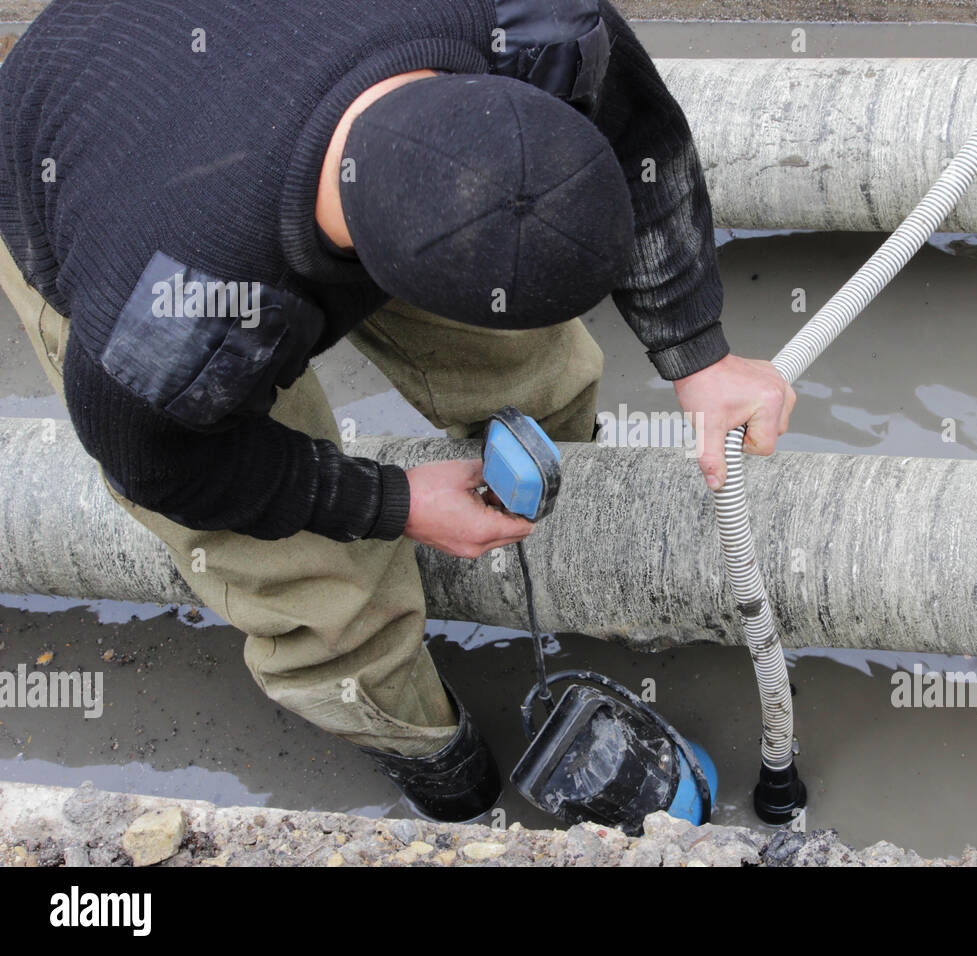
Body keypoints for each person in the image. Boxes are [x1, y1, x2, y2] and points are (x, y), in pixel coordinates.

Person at [0, 0, 796, 820]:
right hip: (91, 149)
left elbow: (634, 131)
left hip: (275, 74)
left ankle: (570, 558)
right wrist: (397, 504)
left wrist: (698, 350)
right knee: (324, 595)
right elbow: (163, 467)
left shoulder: (529, 24)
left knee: (533, 370)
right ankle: (445, 773)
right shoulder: (171, 319)